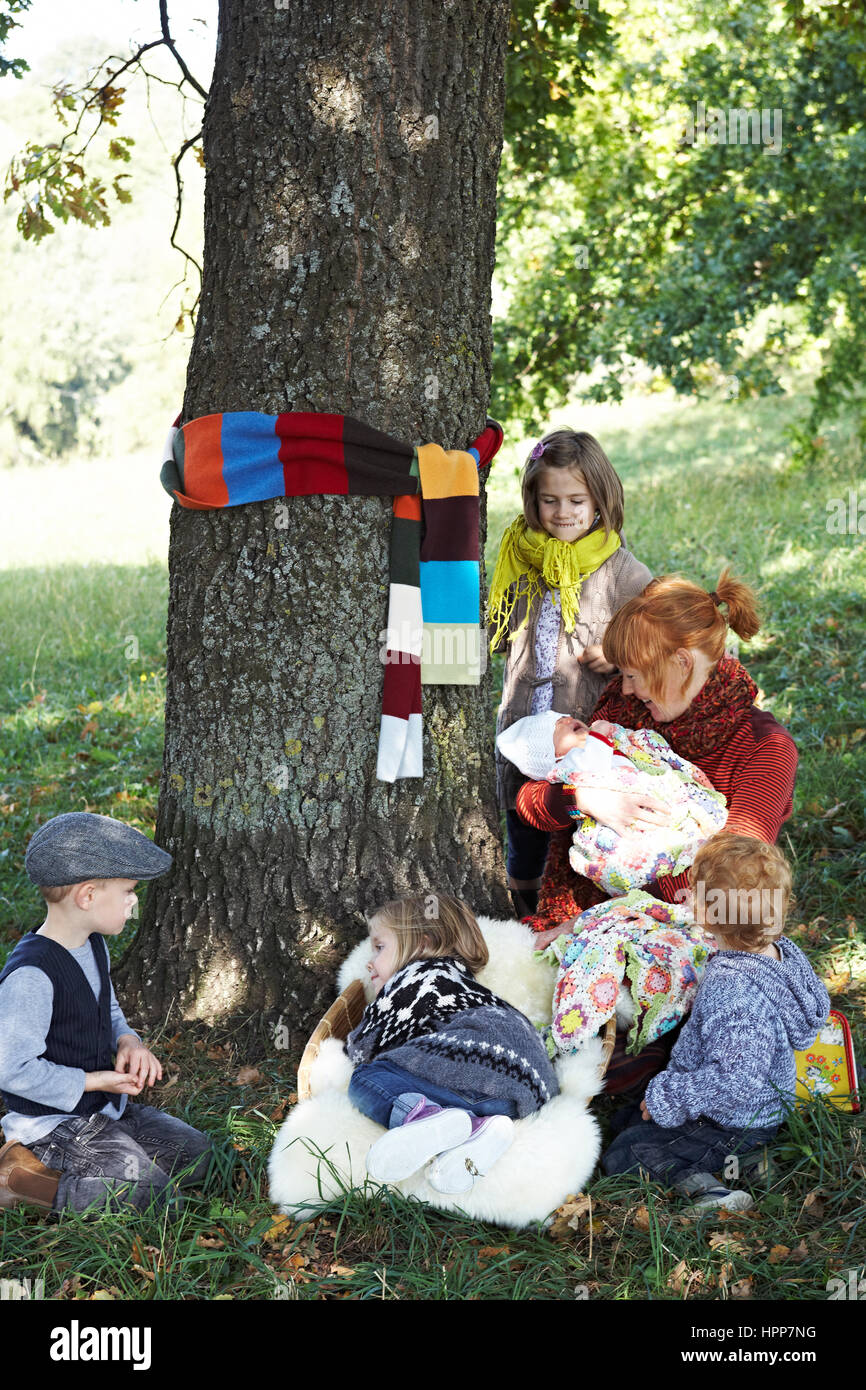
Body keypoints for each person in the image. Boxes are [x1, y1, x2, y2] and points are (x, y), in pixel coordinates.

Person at [602, 834, 830, 1215]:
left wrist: (670, 1097)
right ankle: (751, 1164)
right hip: (761, 1111)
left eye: (693, 891)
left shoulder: (733, 989)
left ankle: (710, 1192)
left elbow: (737, 1079)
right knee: (627, 1118)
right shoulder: (778, 954)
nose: (686, 897)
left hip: (730, 1120)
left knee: (628, 1151)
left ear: (710, 914)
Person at [0, 812, 211, 1214]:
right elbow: (11, 1070)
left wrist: (128, 1038)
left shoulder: (91, 943)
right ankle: (24, 1183)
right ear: (88, 896)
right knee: (158, 1198)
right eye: (128, 890)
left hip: (105, 1111)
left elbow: (106, 1007)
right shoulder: (31, 976)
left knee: (201, 1157)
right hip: (55, 1127)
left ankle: (109, 1164)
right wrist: (96, 1080)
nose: (134, 901)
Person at [487, 429, 652, 922]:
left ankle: (582, 918)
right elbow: (496, 623)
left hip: (587, 743)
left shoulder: (623, 572)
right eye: (550, 500)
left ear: (600, 499)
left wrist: (620, 653)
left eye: (577, 500)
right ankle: (526, 907)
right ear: (532, 500)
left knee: (577, 832)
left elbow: (660, 639)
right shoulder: (522, 559)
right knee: (524, 830)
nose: (563, 512)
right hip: (527, 734)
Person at [346, 894, 558, 1195]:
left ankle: (428, 1118)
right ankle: (477, 1131)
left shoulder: (417, 977)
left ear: (423, 944)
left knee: (366, 1079)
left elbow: (370, 1046)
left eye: (380, 947)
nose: (369, 963)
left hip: (478, 1064)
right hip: (528, 1090)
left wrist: (350, 1055)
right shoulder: (466, 985)